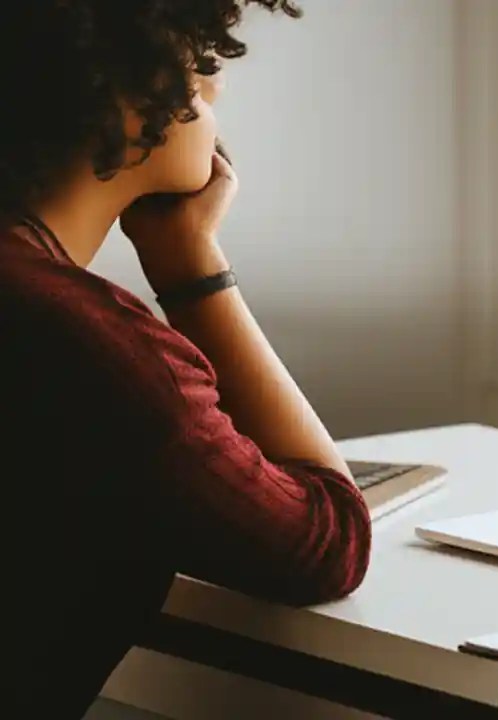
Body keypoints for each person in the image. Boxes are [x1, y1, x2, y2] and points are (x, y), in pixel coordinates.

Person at [0, 2, 372, 716]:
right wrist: (191, 267)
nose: (218, 88)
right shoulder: (86, 346)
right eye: (197, 63)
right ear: (119, 96)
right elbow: (328, 544)